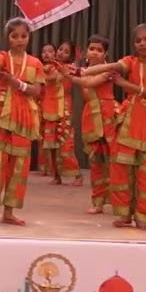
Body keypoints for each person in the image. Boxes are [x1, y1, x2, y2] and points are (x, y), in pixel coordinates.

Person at [75, 24, 146, 229]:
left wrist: (124, 84)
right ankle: (124, 214)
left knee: (145, 172)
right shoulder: (130, 61)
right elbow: (110, 67)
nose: (142, 44)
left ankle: (144, 215)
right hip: (128, 120)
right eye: (138, 41)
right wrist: (82, 70)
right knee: (121, 168)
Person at [0, 18, 43, 225]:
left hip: (25, 117)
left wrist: (17, 83)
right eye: (15, 36)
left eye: (24, 36)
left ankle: (9, 212)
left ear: (29, 37)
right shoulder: (2, 57)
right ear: (8, 38)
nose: (20, 40)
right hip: (1, 114)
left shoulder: (35, 63)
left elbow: (37, 91)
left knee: (19, 166)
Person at [72, 35, 118, 214]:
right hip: (91, 116)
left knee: (114, 161)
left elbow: (88, 82)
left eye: (99, 50)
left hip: (108, 116)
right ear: (86, 52)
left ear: (106, 54)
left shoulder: (108, 70)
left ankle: (120, 201)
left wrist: (68, 74)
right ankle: (98, 202)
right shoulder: (82, 70)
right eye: (92, 49)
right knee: (96, 161)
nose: (95, 52)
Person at [40, 42, 81, 186]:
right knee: (51, 144)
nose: (61, 52)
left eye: (66, 51)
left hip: (63, 108)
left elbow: (51, 77)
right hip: (49, 107)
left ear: (71, 56)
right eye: (60, 49)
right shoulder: (50, 66)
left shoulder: (68, 68)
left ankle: (77, 175)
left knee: (65, 143)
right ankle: (57, 176)